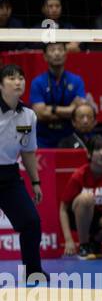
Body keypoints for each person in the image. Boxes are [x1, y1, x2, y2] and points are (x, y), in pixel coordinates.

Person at [0, 65, 45, 283]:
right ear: (1, 85)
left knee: (31, 222)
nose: (18, 82)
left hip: (9, 175)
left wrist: (35, 181)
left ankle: (32, 270)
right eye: (11, 78)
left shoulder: (29, 116)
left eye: (21, 78)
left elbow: (27, 151)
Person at [60, 135, 102, 260]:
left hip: (101, 220)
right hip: (77, 219)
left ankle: (94, 241)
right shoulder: (79, 175)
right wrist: (68, 239)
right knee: (86, 198)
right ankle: (83, 245)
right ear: (89, 154)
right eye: (97, 150)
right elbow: (63, 209)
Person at [30, 41, 88, 149]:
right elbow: (40, 113)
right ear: (45, 56)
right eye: (52, 50)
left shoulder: (76, 81)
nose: (56, 53)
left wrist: (50, 110)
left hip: (70, 137)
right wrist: (69, 109)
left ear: (66, 54)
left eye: (60, 49)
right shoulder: (37, 82)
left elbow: (79, 111)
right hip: (43, 139)